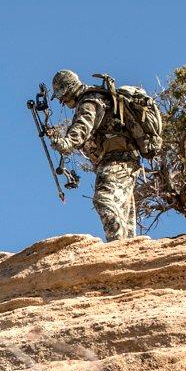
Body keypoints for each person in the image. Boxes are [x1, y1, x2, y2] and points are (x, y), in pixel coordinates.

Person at [45, 69, 141, 242]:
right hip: (126, 160)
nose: (62, 101)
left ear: (70, 88)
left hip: (116, 160)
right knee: (123, 210)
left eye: (62, 96)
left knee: (103, 199)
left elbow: (82, 128)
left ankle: (116, 249)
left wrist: (65, 143)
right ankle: (128, 250)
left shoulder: (89, 101)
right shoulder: (95, 97)